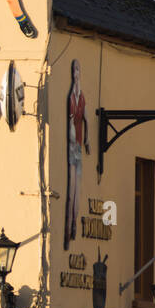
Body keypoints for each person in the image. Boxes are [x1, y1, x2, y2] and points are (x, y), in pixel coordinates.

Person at [65, 60, 89, 249]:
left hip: (78, 148)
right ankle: (70, 226)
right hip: (72, 148)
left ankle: (73, 225)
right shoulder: (72, 98)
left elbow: (87, 119)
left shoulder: (80, 99)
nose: (76, 73)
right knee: (71, 191)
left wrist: (87, 141)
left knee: (76, 190)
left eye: (78, 70)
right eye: (74, 70)